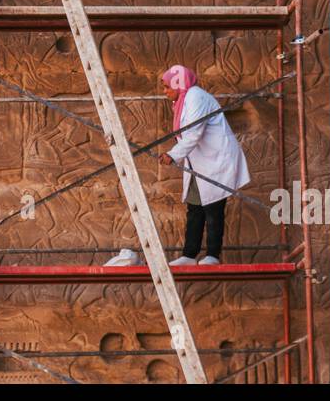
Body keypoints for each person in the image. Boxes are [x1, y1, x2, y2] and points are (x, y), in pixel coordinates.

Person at [104, 64, 250, 268]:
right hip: (201, 163)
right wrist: (175, 155)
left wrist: (173, 155)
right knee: (195, 207)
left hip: (216, 160)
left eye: (167, 87)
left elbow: (193, 132)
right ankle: (190, 254)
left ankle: (213, 255)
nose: (164, 92)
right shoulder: (184, 100)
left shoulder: (195, 97)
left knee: (213, 208)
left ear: (178, 83)